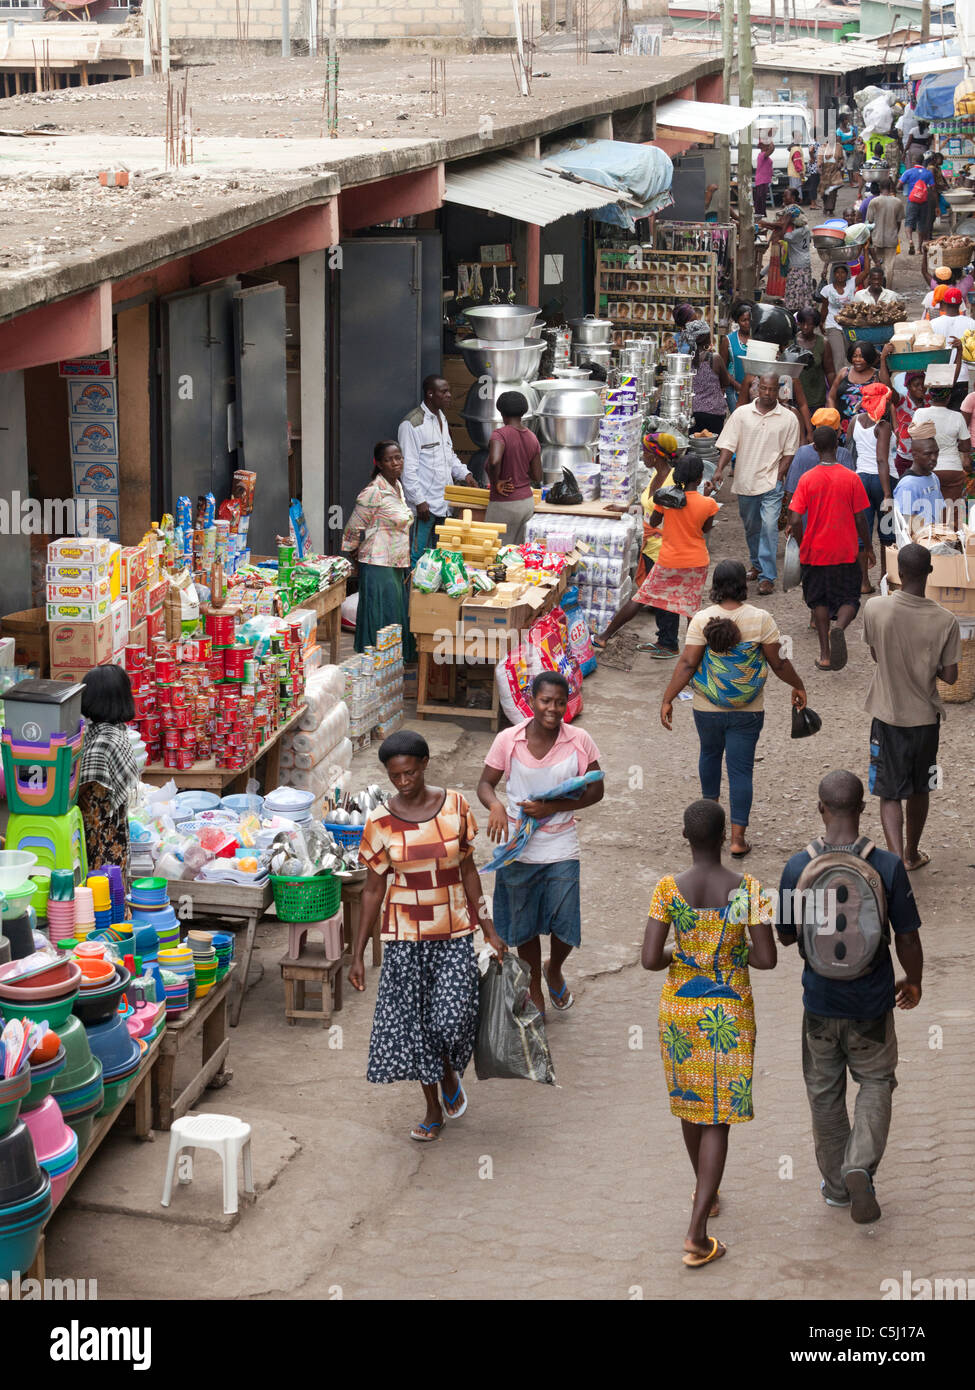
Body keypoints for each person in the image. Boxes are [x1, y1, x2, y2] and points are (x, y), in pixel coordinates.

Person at [777, 770, 923, 1224]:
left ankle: (839, 1187)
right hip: (872, 1004)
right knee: (876, 1082)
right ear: (862, 811)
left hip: (819, 1004)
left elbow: (784, 936)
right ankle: (860, 1162)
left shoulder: (796, 868)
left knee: (824, 1093)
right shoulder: (888, 866)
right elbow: (907, 935)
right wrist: (912, 980)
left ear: (821, 809)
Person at [350, 730, 507, 1143]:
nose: (402, 782)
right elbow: (372, 889)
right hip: (404, 939)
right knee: (417, 1029)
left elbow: (469, 871)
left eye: (409, 773)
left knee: (453, 1018)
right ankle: (433, 1107)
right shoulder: (379, 822)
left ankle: (450, 1070)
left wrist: (488, 929)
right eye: (394, 776)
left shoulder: (455, 806)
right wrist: (357, 952)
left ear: (424, 764)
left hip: (454, 931)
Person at [643, 798, 776, 1266]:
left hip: (679, 1009)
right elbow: (766, 959)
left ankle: (707, 1194)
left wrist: (679, 960)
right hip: (730, 1012)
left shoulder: (666, 889)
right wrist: (729, 960)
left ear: (685, 836)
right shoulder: (749, 889)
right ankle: (697, 1233)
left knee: (692, 1104)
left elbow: (649, 958)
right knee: (718, 1115)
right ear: (724, 838)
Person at [659, 560, 806, 857]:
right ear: (743, 585)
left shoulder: (702, 619)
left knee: (709, 758)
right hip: (748, 710)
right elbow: (778, 662)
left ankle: (709, 832)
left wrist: (668, 698)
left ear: (715, 586)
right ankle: (738, 840)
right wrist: (798, 685)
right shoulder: (761, 619)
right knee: (741, 771)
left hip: (706, 709)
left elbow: (688, 663)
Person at [477, 672, 603, 1017]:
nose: (552, 708)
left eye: (560, 702)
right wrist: (497, 806)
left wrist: (553, 808)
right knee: (523, 924)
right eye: (545, 701)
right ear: (531, 701)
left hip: (561, 843)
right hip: (519, 846)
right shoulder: (509, 740)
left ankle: (555, 967)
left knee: (566, 923)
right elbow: (485, 784)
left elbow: (596, 789)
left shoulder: (579, 740)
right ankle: (534, 986)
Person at [862, 542, 960, 872]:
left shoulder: (875, 608)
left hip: (887, 716)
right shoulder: (946, 621)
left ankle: (895, 862)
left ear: (899, 574)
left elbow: (876, 654)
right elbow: (950, 676)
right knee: (920, 788)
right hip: (925, 721)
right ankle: (912, 852)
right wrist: (926, 663)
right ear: (930, 573)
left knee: (890, 791)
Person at [594, 454, 718, 656]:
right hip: (696, 561)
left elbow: (652, 523)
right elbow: (705, 529)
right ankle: (699, 655)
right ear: (700, 476)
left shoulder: (665, 497)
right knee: (690, 608)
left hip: (669, 559)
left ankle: (603, 637)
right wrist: (707, 495)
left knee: (641, 597)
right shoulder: (708, 504)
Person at [788, 424, 873, 671]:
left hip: (815, 553)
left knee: (819, 602)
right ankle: (840, 628)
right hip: (845, 551)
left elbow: (794, 519)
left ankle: (825, 655)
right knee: (850, 598)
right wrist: (867, 548)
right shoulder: (851, 478)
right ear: (838, 446)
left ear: (814, 448)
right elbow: (861, 518)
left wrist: (803, 545)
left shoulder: (807, 479)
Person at [712, 373, 801, 596]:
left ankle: (767, 576)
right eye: (764, 389)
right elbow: (728, 445)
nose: (768, 393)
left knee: (770, 527)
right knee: (752, 527)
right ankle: (757, 564)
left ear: (779, 390)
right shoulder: (741, 414)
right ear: (756, 389)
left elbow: (789, 454)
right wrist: (719, 469)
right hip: (745, 481)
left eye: (772, 389)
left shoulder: (789, 418)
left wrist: (777, 477)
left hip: (771, 484)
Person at [341, 440, 416, 660]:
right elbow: (354, 526)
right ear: (379, 464)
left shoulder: (397, 487)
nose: (395, 463)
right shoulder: (373, 492)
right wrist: (353, 551)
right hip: (377, 563)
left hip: (396, 562)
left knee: (393, 612)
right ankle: (378, 661)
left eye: (398, 457)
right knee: (382, 613)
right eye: (389, 459)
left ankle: (392, 661)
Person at [398, 375, 477, 566]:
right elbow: (407, 469)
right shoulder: (412, 424)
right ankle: (411, 596)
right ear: (430, 394)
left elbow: (448, 456)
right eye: (444, 391)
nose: (449, 395)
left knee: (438, 558)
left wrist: (465, 474)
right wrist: (419, 501)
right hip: (424, 508)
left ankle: (429, 596)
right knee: (416, 557)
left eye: (449, 390)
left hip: (444, 504)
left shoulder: (442, 418)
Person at [78, 664, 140, 879]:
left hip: (100, 840)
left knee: (100, 897)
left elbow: (76, 790)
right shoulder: (116, 731)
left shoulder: (101, 742)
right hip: (115, 835)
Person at [849, 383, 893, 592]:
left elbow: (851, 449)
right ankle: (885, 577)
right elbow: (882, 460)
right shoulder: (882, 425)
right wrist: (887, 494)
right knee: (886, 534)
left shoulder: (854, 421)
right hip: (880, 480)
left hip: (860, 480)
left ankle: (863, 581)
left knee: (861, 531)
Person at [483, 390, 541, 546]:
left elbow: (494, 461)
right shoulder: (532, 437)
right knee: (516, 554)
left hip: (504, 503)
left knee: (494, 552)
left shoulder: (500, 435)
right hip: (526, 503)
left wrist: (496, 482)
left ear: (501, 412)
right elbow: (537, 475)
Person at [910, 382, 972, 502]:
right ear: (948, 397)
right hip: (952, 468)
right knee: (951, 511)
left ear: (930, 396)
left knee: (928, 508)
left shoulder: (920, 413)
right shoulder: (957, 416)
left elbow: (915, 439)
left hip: (927, 468)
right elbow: (966, 446)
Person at [784, 406, 854, 495]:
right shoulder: (844, 454)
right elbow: (851, 490)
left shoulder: (802, 452)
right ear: (838, 432)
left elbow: (792, 489)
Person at [879, 354, 930, 476]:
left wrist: (958, 352)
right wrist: (883, 358)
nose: (921, 388)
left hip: (927, 456)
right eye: (916, 385)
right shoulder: (901, 401)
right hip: (905, 458)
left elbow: (949, 382)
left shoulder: (930, 401)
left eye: (923, 384)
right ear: (907, 386)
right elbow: (887, 385)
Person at [892, 425, 944, 532]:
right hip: (919, 543)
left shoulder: (933, 477)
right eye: (927, 454)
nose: (934, 458)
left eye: (936, 453)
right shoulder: (908, 485)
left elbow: (940, 509)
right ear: (915, 455)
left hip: (935, 538)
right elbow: (905, 525)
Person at [826, 340, 882, 436]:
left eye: (861, 357)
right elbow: (831, 397)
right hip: (844, 428)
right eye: (854, 356)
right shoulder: (844, 373)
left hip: (868, 430)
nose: (857, 360)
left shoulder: (877, 375)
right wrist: (834, 419)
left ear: (869, 358)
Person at [687, 322, 734, 433]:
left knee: (694, 445)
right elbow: (726, 382)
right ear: (708, 339)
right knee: (712, 447)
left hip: (692, 412)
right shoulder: (715, 358)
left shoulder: (686, 360)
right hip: (714, 413)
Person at [926, 288, 975, 380]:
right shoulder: (971, 323)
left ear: (944, 302)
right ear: (960, 303)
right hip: (962, 375)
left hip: (938, 376)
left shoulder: (933, 324)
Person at [795, 306, 835, 415]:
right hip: (793, 397)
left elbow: (830, 371)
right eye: (802, 323)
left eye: (810, 324)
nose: (805, 327)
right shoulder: (791, 341)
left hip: (816, 398)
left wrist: (833, 395)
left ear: (815, 325)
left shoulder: (823, 343)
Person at [818, 263, 856, 369]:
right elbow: (824, 308)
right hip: (833, 325)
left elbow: (866, 271)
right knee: (838, 356)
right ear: (834, 274)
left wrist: (866, 250)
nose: (840, 275)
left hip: (849, 326)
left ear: (846, 274)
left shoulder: (851, 284)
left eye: (843, 272)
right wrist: (821, 322)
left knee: (850, 354)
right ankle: (838, 383)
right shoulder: (827, 289)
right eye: (837, 272)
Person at [867, 179, 904, 287]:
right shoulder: (897, 202)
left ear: (879, 188)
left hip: (876, 237)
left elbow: (870, 221)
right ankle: (888, 288)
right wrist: (895, 233)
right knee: (889, 266)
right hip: (891, 237)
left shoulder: (874, 202)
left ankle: (875, 286)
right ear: (891, 187)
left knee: (876, 263)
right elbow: (899, 222)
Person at [897, 156, 934, 255]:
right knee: (922, 224)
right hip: (924, 202)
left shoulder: (908, 172)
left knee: (909, 222)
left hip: (912, 201)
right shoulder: (928, 173)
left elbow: (899, 185)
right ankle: (918, 248)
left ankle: (910, 240)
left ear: (914, 161)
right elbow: (933, 189)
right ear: (923, 162)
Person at [719, 302, 752, 409]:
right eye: (744, 320)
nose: (747, 323)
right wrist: (739, 386)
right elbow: (723, 368)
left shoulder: (758, 339)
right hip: (734, 389)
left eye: (749, 320)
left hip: (754, 391)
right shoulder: (728, 340)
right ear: (737, 321)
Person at [818, 140, 844, 216]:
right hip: (825, 172)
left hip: (835, 171)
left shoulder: (839, 147)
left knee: (833, 191)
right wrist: (819, 166)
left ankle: (831, 210)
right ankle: (825, 208)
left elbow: (842, 158)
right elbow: (819, 158)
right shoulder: (823, 146)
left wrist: (840, 163)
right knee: (824, 191)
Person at [754, 134, 774, 218]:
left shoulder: (764, 155)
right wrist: (770, 138)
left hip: (764, 180)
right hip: (761, 180)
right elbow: (772, 149)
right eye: (767, 145)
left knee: (762, 198)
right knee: (760, 198)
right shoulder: (762, 155)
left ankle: (761, 214)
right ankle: (759, 214)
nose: (768, 147)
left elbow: (771, 149)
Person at [804, 140, 821, 207]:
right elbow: (811, 150)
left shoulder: (814, 142)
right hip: (815, 166)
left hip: (816, 165)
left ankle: (814, 202)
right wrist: (812, 158)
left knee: (815, 185)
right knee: (813, 186)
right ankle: (813, 204)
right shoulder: (814, 143)